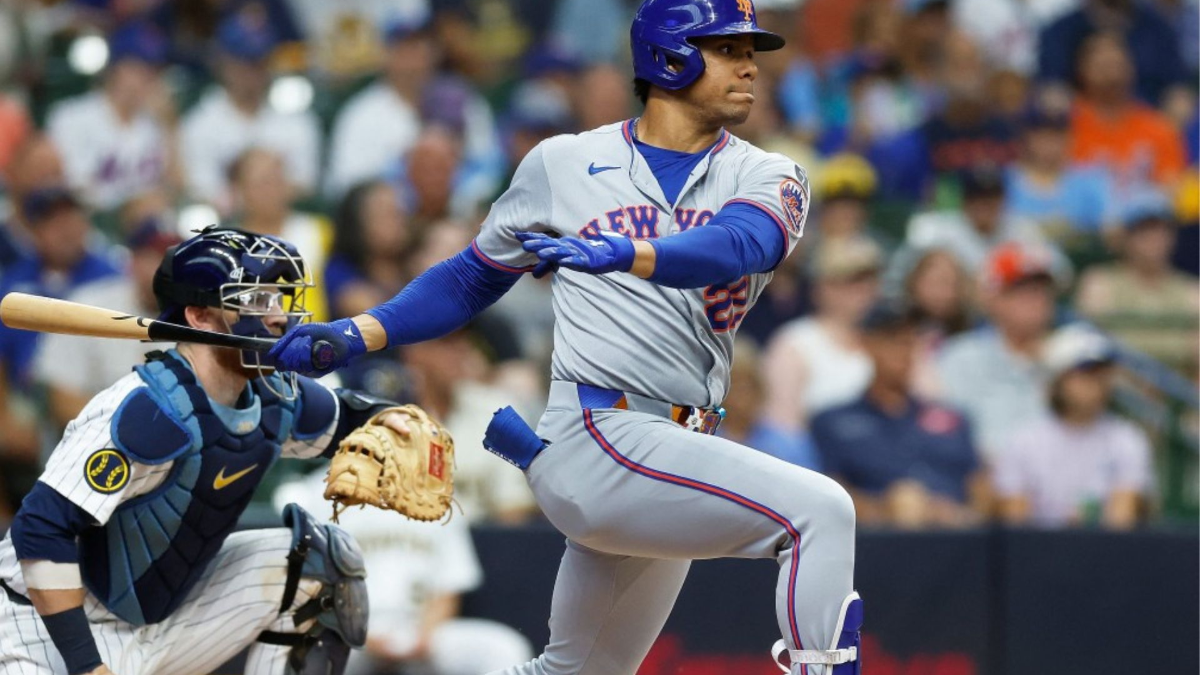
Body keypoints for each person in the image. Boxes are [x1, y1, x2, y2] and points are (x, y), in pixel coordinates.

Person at [269, 1, 863, 673]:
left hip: (676, 444)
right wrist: (358, 331)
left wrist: (630, 253)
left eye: (750, 51)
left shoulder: (769, 173)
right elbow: (471, 277)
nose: (750, 65)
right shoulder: (563, 163)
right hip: (601, 434)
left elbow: (740, 244)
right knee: (819, 511)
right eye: (727, 48)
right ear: (670, 57)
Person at [0, 227, 420, 675]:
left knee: (319, 565)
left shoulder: (273, 398)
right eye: (257, 301)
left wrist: (402, 423)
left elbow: (351, 419)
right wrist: (88, 668)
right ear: (200, 316)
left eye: (278, 299)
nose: (278, 317)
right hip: (43, 629)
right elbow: (41, 530)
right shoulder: (147, 410)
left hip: (156, 624)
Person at [277, 471, 534, 675]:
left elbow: (449, 587)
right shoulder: (319, 492)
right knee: (295, 652)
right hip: (347, 633)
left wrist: (425, 636)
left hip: (421, 630)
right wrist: (357, 634)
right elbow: (310, 587)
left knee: (503, 649)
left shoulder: (435, 494)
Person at [811, 302, 986, 529]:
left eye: (910, 340)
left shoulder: (953, 418)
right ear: (868, 344)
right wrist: (885, 509)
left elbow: (981, 486)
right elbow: (827, 495)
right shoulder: (832, 421)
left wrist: (963, 514)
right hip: (877, 543)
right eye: (892, 339)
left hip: (960, 541)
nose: (903, 349)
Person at [994, 324, 1152, 529]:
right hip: (1038, 556)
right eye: (1085, 371)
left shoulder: (1127, 439)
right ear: (1057, 380)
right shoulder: (1023, 441)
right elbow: (1016, 524)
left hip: (1104, 556)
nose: (1097, 382)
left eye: (1102, 372)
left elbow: (1121, 525)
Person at [32, 220, 181, 429]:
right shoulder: (88, 306)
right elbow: (63, 399)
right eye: (153, 257)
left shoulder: (202, 317)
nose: (165, 268)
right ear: (133, 261)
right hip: (95, 441)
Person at [935, 241, 1064, 463]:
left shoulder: (1072, 354)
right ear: (992, 298)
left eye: (1042, 289)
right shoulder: (961, 356)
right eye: (1020, 289)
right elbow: (946, 433)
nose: (1035, 299)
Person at [180, 13, 321, 208]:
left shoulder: (294, 117)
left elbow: (305, 185)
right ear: (224, 62)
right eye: (244, 62)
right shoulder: (201, 122)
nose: (253, 72)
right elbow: (202, 192)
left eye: (259, 62)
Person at [45, 22, 176, 213]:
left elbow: (176, 190)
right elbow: (74, 190)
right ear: (117, 68)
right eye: (139, 68)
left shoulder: (155, 124)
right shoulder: (72, 116)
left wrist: (170, 127)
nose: (148, 79)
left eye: (154, 71)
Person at [762, 236, 882, 429]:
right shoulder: (794, 342)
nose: (864, 289)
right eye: (851, 280)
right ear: (821, 287)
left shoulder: (888, 340)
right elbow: (782, 427)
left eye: (869, 280)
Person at [1075, 189, 1199, 371]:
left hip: (1179, 392)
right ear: (1126, 237)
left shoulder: (1191, 290)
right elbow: (1088, 349)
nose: (1154, 239)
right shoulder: (1101, 283)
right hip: (1115, 391)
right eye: (1143, 231)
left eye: (1161, 230)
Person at [1068, 32, 1186, 192]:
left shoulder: (1158, 128)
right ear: (1082, 71)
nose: (1112, 76)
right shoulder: (1066, 126)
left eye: (1117, 66)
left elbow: (1172, 185)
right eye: (1102, 67)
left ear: (1131, 68)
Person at [228, 147, 334, 321]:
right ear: (239, 190)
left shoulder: (319, 230)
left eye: (277, 180)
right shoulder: (228, 244)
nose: (270, 191)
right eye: (261, 183)